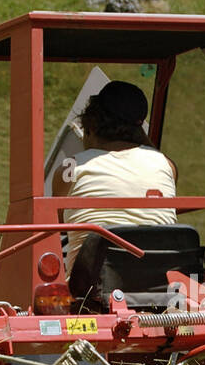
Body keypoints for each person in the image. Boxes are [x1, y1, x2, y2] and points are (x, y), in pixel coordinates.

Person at [52, 80, 178, 272]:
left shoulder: (70, 168)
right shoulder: (167, 165)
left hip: (90, 285)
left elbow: (57, 223)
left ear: (90, 126)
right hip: (158, 282)